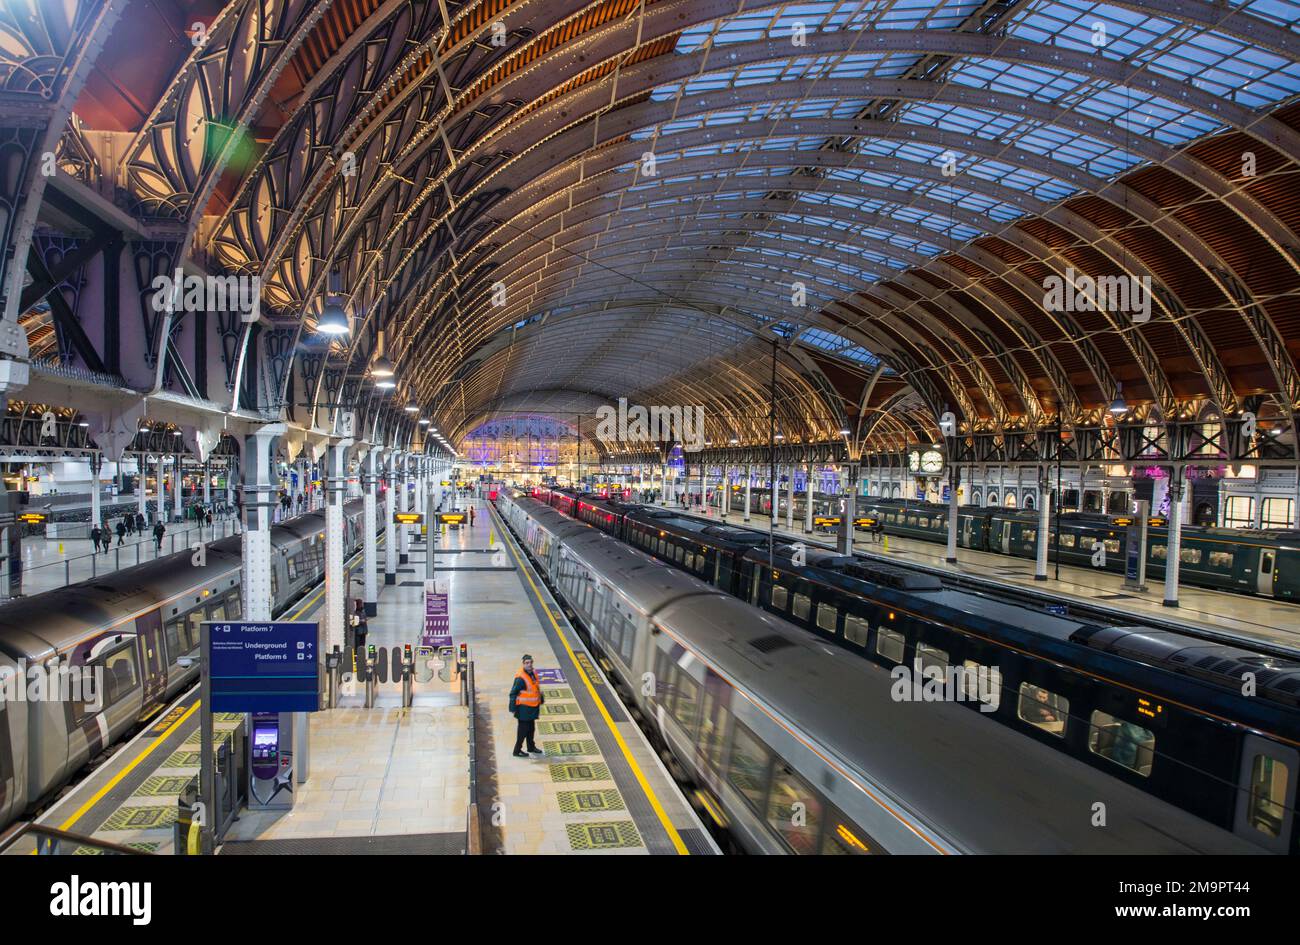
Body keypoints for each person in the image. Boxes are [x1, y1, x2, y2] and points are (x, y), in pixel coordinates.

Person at [509, 654, 545, 757]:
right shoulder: (520, 678)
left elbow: (535, 688)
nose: (529, 665)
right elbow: (513, 693)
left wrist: (540, 698)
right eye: (527, 663)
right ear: (523, 664)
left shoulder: (533, 673)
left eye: (530, 662)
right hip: (523, 709)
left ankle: (531, 747)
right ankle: (517, 751)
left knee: (531, 729)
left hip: (532, 707)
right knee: (522, 731)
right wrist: (512, 708)